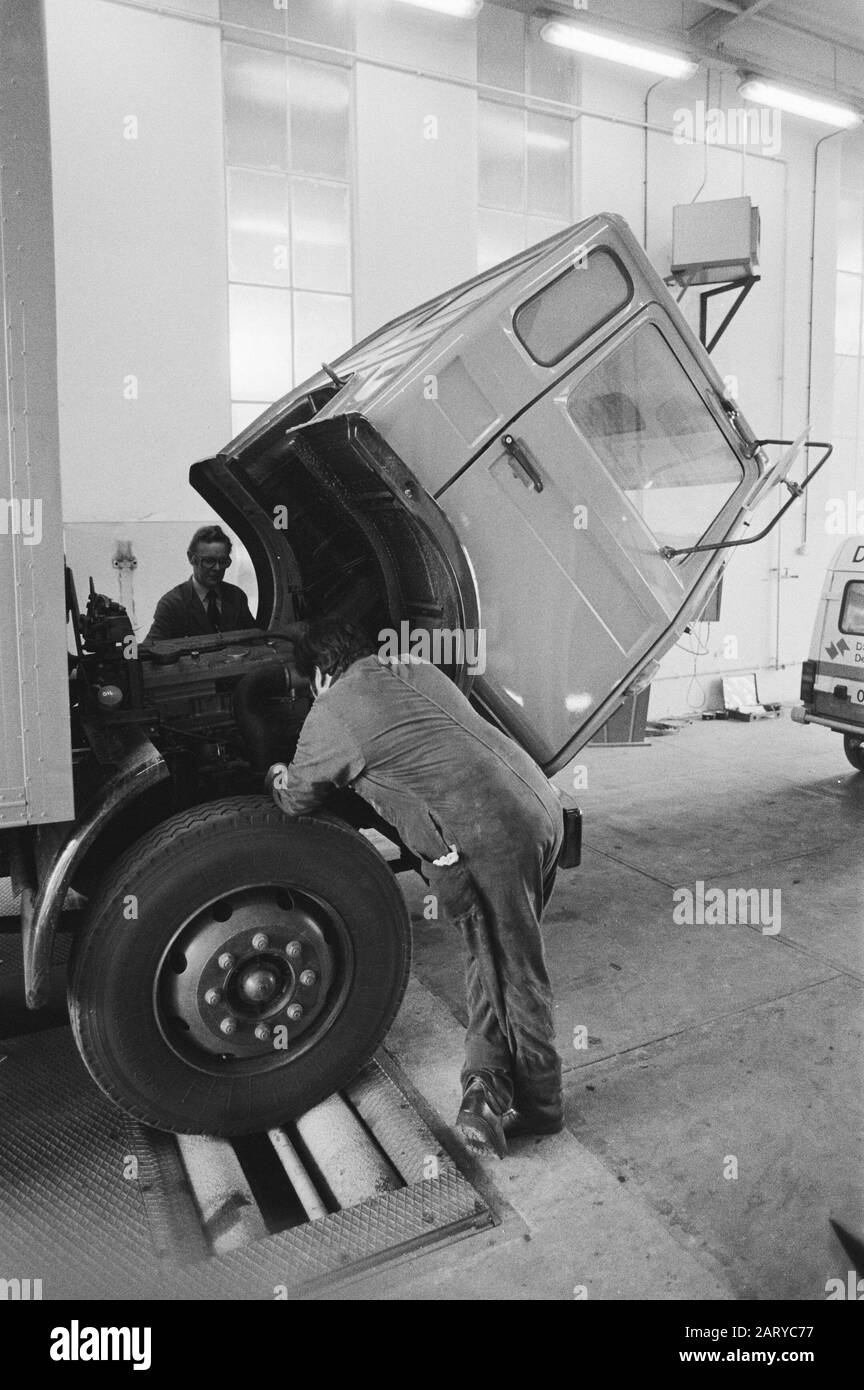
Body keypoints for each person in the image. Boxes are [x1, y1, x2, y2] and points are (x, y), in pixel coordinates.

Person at [265, 617, 565, 1159]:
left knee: (512, 967)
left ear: (317, 677)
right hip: (540, 803)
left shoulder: (331, 715)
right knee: (490, 958)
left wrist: (273, 772)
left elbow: (295, 798)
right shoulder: (414, 666)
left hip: (492, 836)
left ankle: (542, 1105)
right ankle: (486, 1085)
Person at [145, 525, 256, 641]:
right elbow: (152, 649)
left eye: (223, 561)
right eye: (209, 561)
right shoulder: (172, 604)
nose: (217, 568)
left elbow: (256, 639)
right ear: (191, 558)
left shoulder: (236, 596)